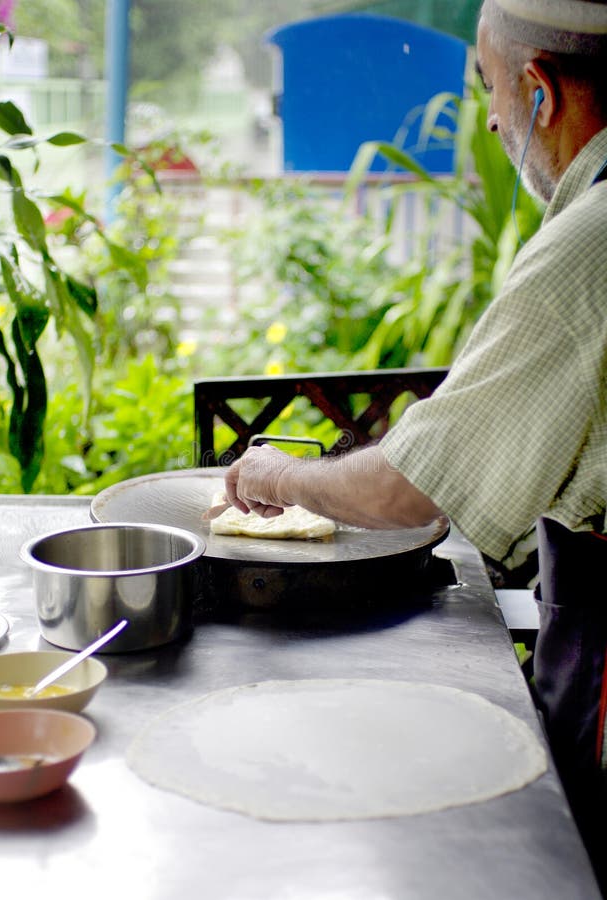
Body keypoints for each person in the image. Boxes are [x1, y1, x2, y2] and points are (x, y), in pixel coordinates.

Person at [223, 0, 607, 886]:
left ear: (539, 89)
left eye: (491, 91)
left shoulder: (590, 243)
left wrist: (280, 474)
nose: (495, 120)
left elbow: (410, 492)